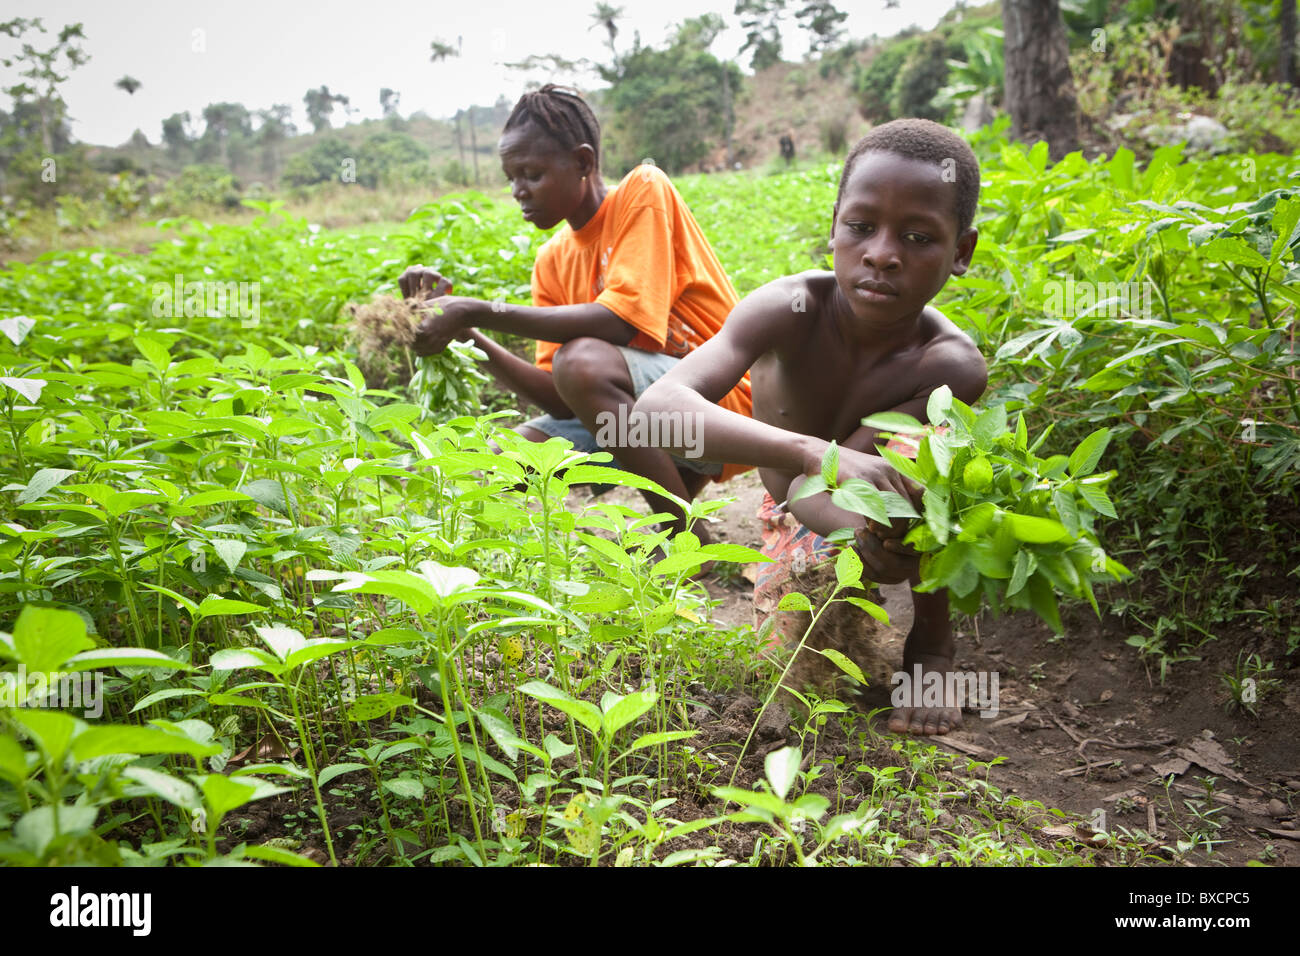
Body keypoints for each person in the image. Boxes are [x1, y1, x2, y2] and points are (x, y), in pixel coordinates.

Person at [635, 118, 988, 735]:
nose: (882, 252)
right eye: (860, 227)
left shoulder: (947, 364)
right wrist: (808, 452)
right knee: (790, 670)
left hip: (871, 494)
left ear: (961, 253)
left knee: (938, 465)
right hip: (789, 497)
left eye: (918, 236)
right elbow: (655, 412)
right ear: (833, 230)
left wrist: (883, 537)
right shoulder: (789, 310)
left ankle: (933, 643)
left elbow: (850, 477)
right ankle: (857, 570)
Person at [399, 85, 751, 538]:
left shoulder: (643, 191)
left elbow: (619, 322)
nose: (518, 191)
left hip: (724, 409)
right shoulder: (552, 259)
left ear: (583, 163)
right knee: (511, 457)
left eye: (531, 173)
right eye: (511, 177)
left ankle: (684, 538)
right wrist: (465, 328)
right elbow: (559, 395)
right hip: (646, 418)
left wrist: (476, 308)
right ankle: (677, 490)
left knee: (583, 361)